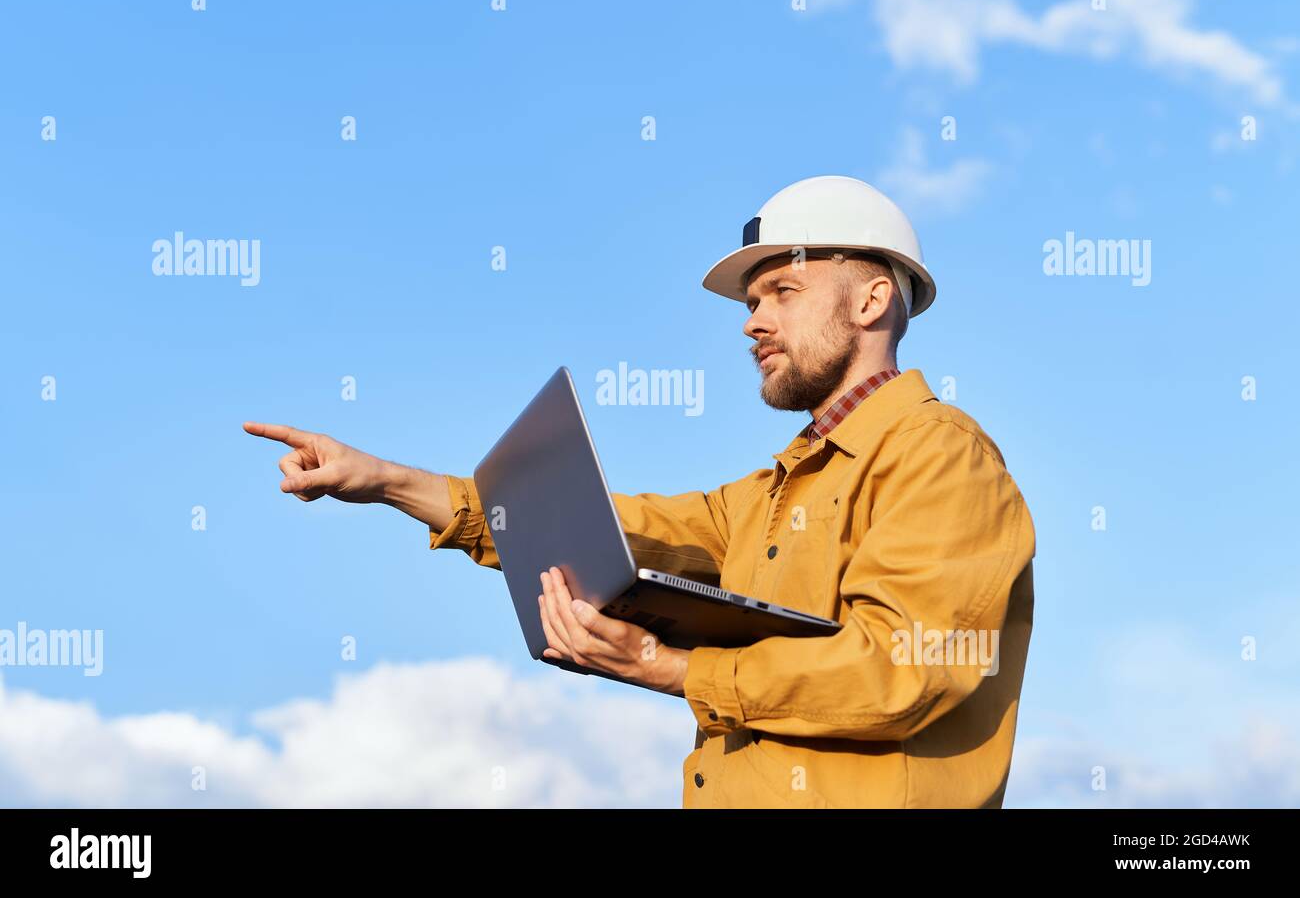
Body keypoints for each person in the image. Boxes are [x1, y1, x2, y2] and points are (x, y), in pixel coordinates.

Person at [246, 175, 1035, 808]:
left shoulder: (941, 454)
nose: (752, 321)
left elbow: (903, 666)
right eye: (751, 302)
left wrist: (670, 666)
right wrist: (388, 480)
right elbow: (608, 528)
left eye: (783, 292)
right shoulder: (767, 493)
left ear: (871, 301)